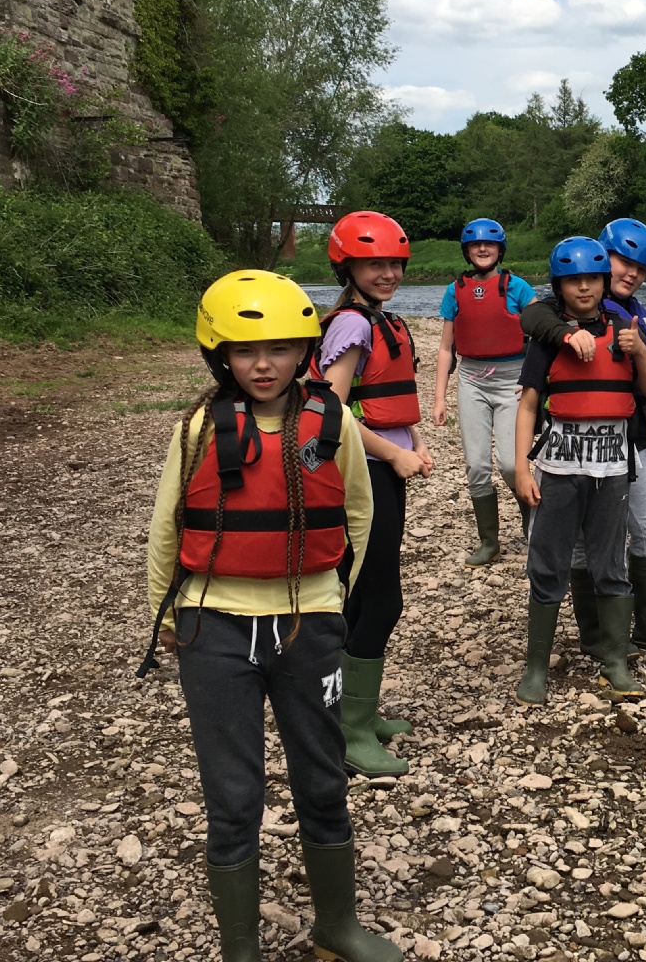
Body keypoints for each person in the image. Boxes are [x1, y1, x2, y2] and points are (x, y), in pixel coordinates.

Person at [139, 270, 397, 962]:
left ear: (304, 352)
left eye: (280, 349)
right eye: (246, 350)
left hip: (308, 624)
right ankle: (240, 948)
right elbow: (166, 527)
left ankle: (336, 927)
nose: (262, 364)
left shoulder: (333, 423)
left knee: (322, 779)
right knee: (232, 796)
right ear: (219, 355)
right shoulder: (198, 429)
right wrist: (166, 615)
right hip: (213, 626)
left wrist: (332, 599)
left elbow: (359, 514)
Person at [519, 218, 646, 658]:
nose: (631, 273)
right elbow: (532, 315)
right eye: (624, 262)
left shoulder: (633, 314)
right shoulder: (561, 305)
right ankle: (596, 632)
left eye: (641, 268)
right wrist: (568, 333)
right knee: (585, 542)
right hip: (577, 448)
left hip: (631, 440)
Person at [513, 237, 646, 705]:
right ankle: (536, 668)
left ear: (603, 283)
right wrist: (521, 470)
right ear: (559, 286)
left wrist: (639, 352)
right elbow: (528, 406)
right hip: (559, 470)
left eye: (592, 280)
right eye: (574, 280)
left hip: (612, 472)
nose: (584, 288)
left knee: (611, 565)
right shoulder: (548, 337)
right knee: (548, 564)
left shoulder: (624, 330)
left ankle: (615, 661)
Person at [311, 211, 430, 778]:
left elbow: (388, 400)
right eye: (373, 264)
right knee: (380, 600)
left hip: (384, 468)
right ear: (348, 268)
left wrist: (415, 443)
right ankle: (350, 729)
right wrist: (395, 455)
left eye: (394, 263)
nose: (387, 274)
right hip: (363, 477)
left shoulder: (380, 320)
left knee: (361, 595)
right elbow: (330, 411)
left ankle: (353, 710)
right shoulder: (352, 326)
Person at [431, 218, 537, 567]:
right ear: (466, 251)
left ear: (499, 249)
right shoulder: (455, 291)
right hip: (472, 379)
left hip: (513, 381)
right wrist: (439, 398)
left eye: (489, 244)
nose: (482, 249)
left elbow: (541, 329)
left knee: (510, 463)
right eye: (475, 245)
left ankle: (533, 525)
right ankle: (489, 542)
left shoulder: (517, 287)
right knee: (476, 465)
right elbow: (445, 348)